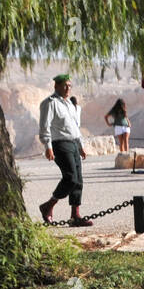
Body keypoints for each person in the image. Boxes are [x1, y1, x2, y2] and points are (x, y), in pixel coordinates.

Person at [37, 73, 90, 226]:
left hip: (73, 143)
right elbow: (44, 126)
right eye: (64, 85)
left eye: (70, 85)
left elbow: (75, 127)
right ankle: (48, 206)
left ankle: (75, 216)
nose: (68, 88)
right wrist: (48, 147)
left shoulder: (69, 105)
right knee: (70, 178)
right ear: (56, 86)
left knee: (78, 180)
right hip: (60, 144)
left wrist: (80, 146)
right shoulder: (49, 103)